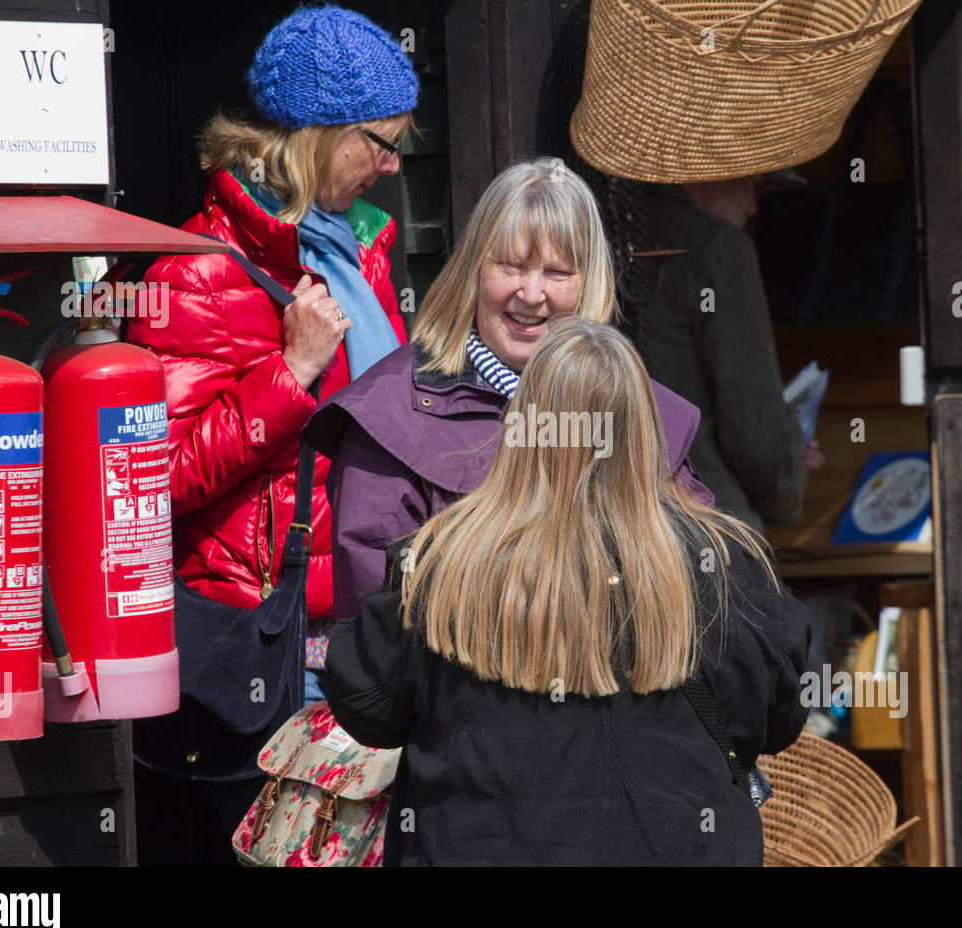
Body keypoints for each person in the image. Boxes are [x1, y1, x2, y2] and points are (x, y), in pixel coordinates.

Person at [324, 318, 811, 865]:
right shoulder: (724, 568)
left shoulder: (443, 564)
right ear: (647, 425)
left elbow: (367, 706)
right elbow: (781, 714)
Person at [126, 5, 417, 861]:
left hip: (366, 640)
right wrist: (288, 377)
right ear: (316, 135)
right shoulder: (196, 271)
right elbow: (160, 478)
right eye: (381, 141)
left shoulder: (355, 254)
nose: (396, 165)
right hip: (274, 651)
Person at [303, 157, 715, 622]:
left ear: (589, 285)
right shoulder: (390, 416)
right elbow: (376, 634)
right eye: (511, 265)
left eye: (558, 272)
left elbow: (693, 590)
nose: (532, 293)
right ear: (474, 270)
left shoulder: (640, 410)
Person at [642, 175, 823, 533]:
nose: (752, 207)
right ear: (713, 171)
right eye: (750, 185)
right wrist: (786, 484)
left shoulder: (597, 224)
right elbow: (756, 435)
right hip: (702, 524)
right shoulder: (715, 245)